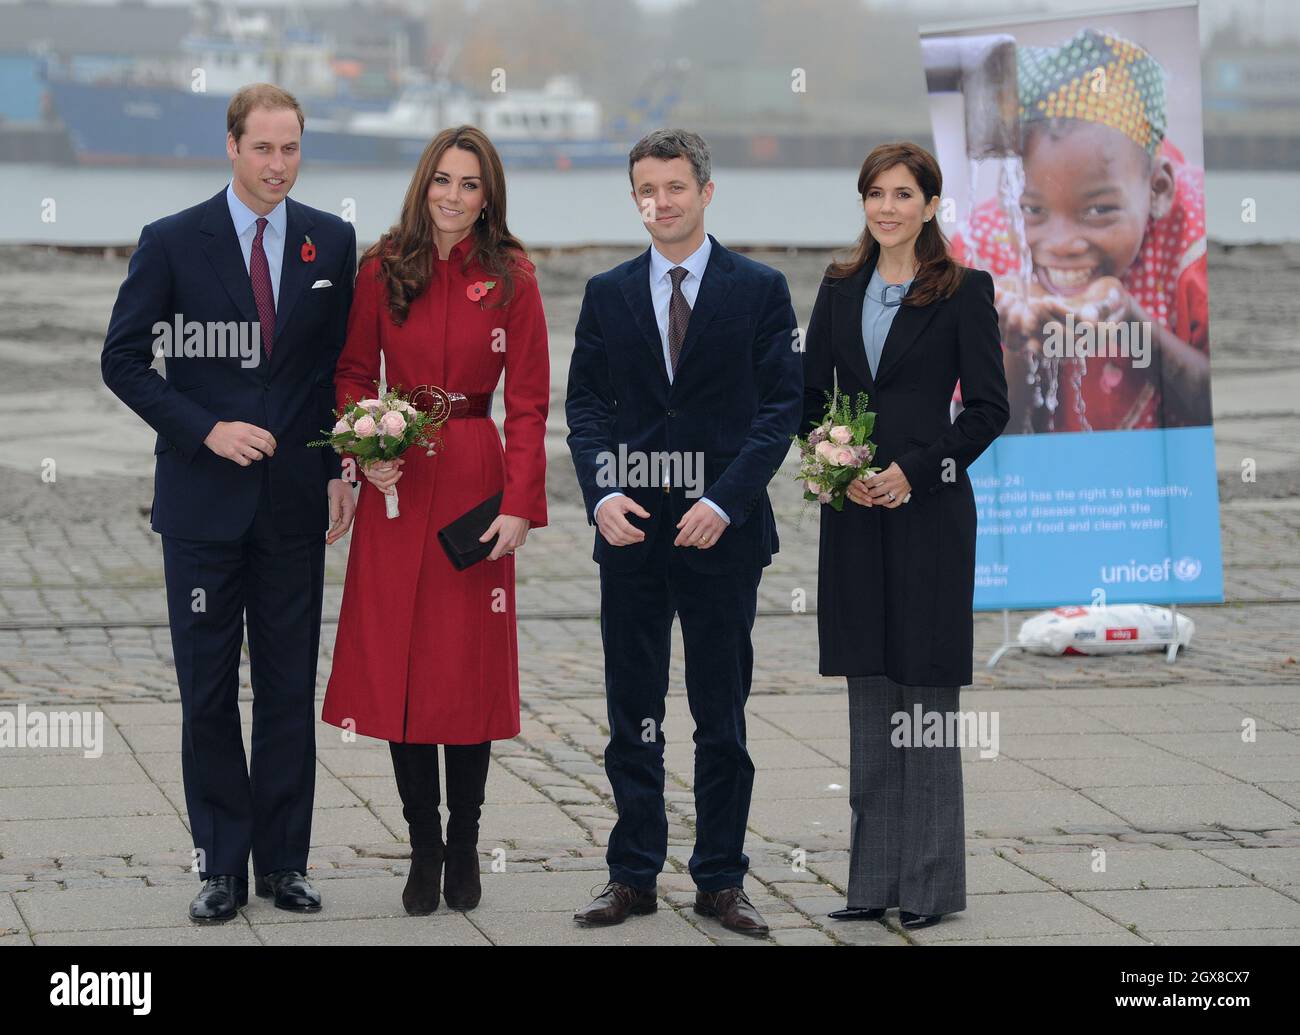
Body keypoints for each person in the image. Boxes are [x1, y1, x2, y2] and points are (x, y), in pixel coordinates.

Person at [100, 83, 358, 922]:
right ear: (231, 145)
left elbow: (332, 376)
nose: (278, 165)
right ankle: (220, 865)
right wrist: (205, 429)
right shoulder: (172, 242)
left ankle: (285, 863)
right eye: (263, 148)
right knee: (206, 691)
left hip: (292, 508)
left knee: (287, 689)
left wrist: (341, 467)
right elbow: (125, 361)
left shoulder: (333, 240)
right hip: (202, 507)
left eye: (290, 148)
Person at [566, 128, 802, 935]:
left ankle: (720, 879)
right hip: (630, 537)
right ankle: (631, 874)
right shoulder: (607, 292)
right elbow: (587, 410)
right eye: (644, 190)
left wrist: (728, 499)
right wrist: (601, 494)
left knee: (720, 716)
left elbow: (780, 411)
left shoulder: (760, 288)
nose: (658, 203)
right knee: (632, 713)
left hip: (722, 536)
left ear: (706, 191)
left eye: (672, 187)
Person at [321, 125, 549, 916]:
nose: (454, 196)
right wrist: (361, 447)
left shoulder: (512, 275)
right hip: (398, 481)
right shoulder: (383, 268)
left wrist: (521, 502)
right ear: (424, 184)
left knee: (466, 670)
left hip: (477, 477)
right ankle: (422, 845)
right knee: (403, 668)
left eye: (470, 185)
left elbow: (528, 400)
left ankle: (464, 843)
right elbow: (352, 371)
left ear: (489, 197)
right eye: (443, 180)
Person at [801, 142, 1008, 930]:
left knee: (924, 698)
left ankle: (928, 886)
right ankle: (872, 880)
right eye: (875, 194)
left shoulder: (964, 291)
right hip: (853, 514)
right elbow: (809, 395)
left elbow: (989, 408)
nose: (887, 207)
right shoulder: (838, 286)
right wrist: (835, 463)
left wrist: (917, 470)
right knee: (870, 694)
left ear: (930, 204)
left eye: (903, 194)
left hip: (929, 514)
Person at [951, 27, 1210, 433]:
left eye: (1098, 209)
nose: (1062, 244)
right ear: (1012, 194)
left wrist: (1133, 323)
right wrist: (1015, 343)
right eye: (1034, 209)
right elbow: (980, 438)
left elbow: (1215, 404)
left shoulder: (1191, 238)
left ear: (1157, 189)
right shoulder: (985, 253)